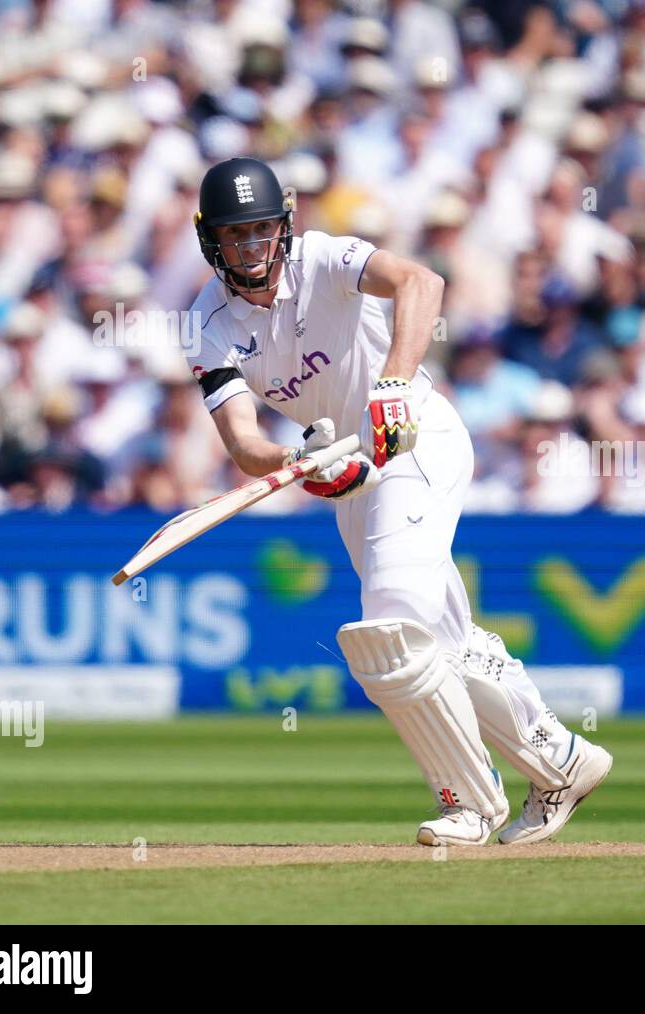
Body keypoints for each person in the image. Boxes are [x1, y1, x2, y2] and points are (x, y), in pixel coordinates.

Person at [185, 157, 611, 846]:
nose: (254, 248)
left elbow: (421, 280)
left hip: (412, 435)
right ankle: (560, 758)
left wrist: (392, 384)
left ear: (285, 227)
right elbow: (242, 441)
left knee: (388, 630)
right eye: (237, 236)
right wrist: (295, 461)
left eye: (263, 230)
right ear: (212, 241)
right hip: (351, 469)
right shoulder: (205, 323)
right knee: (439, 643)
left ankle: (471, 801)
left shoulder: (325, 258)